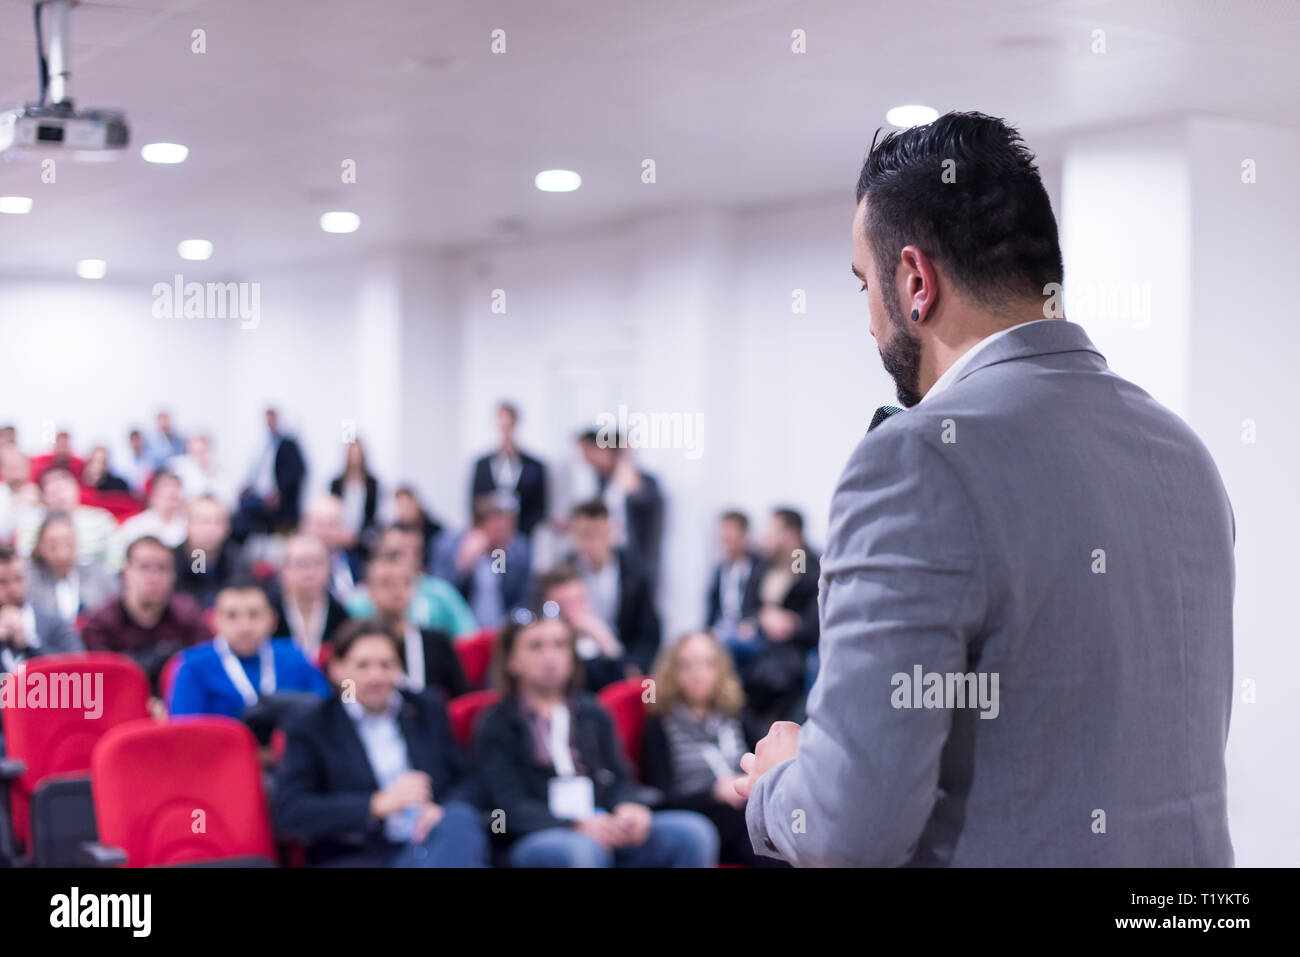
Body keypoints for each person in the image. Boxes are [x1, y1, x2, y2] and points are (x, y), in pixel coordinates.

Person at [740, 111, 1236, 868]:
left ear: (915, 281)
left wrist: (781, 783)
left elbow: (851, 827)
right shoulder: (1183, 452)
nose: (868, 323)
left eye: (864, 285)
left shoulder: (914, 461)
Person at [474, 610, 718, 868]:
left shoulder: (593, 713)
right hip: (539, 835)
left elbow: (621, 776)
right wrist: (575, 825)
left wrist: (630, 806)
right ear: (513, 660)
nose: (550, 656)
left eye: (560, 645)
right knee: (583, 853)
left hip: (603, 823)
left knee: (694, 833)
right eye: (536, 646)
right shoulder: (497, 723)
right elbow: (507, 806)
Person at [273, 619, 488, 867]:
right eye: (362, 665)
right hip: (361, 854)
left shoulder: (426, 708)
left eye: (386, 665)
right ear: (337, 669)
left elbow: (469, 780)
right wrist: (375, 805)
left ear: (399, 668)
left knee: (459, 818)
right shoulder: (311, 725)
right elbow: (291, 811)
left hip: (430, 839)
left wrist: (440, 810)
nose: (375, 676)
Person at [642, 632, 784, 867]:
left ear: (719, 670)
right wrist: (713, 793)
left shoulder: (734, 713)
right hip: (703, 815)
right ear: (672, 673)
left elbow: (769, 756)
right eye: (687, 665)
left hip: (747, 804)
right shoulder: (660, 723)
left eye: (707, 664)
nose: (697, 674)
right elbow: (662, 799)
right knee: (762, 835)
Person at [169, 580, 330, 721]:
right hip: (222, 755)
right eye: (232, 616)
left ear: (272, 619)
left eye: (254, 615)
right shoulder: (193, 665)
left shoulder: (295, 657)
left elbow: (325, 710)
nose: (244, 626)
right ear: (214, 621)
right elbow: (186, 731)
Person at [81, 535, 211, 689]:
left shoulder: (189, 615)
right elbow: (103, 685)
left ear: (173, 576)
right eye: (144, 567)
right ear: (126, 572)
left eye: (162, 568)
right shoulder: (100, 625)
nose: (153, 577)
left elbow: (205, 672)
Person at [739, 508, 820, 724]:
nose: (765, 538)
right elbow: (747, 607)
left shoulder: (813, 568)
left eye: (772, 532)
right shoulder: (763, 565)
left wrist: (792, 625)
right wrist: (763, 617)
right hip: (756, 639)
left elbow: (816, 623)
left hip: (794, 648)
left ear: (791, 535)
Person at [565, 499, 661, 674]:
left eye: (598, 534)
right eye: (584, 535)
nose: (591, 543)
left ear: (612, 533)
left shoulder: (635, 573)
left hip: (620, 658)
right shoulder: (563, 572)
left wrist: (635, 665)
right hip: (573, 662)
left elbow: (649, 631)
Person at [571, 430, 664, 596]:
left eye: (588, 451)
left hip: (636, 559)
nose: (585, 458)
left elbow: (642, 501)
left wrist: (627, 460)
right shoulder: (600, 482)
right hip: (608, 558)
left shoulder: (643, 481)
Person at [347, 524, 478, 638]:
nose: (406, 558)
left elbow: (468, 637)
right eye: (395, 553)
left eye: (413, 551)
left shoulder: (441, 593)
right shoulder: (357, 602)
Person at [364, 558, 468, 699]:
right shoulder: (359, 645)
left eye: (406, 582)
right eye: (386, 583)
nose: (397, 589)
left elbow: (461, 696)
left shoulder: (436, 642)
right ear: (369, 590)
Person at [432, 492, 531, 630]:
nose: (505, 535)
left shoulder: (516, 551)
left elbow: (521, 599)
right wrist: (463, 565)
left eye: (509, 529)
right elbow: (441, 595)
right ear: (478, 526)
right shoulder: (448, 546)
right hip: (460, 629)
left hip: (501, 630)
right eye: (498, 529)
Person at [536, 564, 630, 692]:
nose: (575, 612)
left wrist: (605, 640)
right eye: (566, 604)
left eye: (580, 601)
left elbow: (625, 680)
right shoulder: (541, 648)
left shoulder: (598, 640)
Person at [469, 402, 548, 539]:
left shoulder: (534, 466)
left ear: (515, 424)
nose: (505, 431)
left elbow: (540, 507)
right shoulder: (482, 464)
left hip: (522, 536)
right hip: (488, 537)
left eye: (508, 425)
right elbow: (474, 501)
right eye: (502, 425)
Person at [268, 534, 351, 664]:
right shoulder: (269, 612)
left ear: (329, 568)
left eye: (317, 563)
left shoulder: (342, 617)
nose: (309, 571)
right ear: (284, 570)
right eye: (300, 563)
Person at [15, 467, 117, 570]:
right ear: (43, 498)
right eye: (54, 493)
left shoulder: (100, 519)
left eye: (64, 490)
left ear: (77, 490)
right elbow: (24, 559)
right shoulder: (32, 522)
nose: (60, 497)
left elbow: (115, 559)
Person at [0, 545, 83, 672]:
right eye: (3, 582)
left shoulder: (55, 623)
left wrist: (29, 642)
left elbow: (79, 670)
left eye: (18, 579)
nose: (12, 589)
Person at [25, 512, 118, 624]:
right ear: (40, 547)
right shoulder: (28, 578)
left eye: (67, 541)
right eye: (53, 544)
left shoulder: (99, 575)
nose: (61, 549)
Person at [704, 510, 766, 661]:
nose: (726, 542)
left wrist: (753, 623)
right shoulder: (720, 569)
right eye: (723, 537)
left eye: (731, 537)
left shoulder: (761, 567)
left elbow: (766, 603)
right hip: (722, 630)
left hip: (748, 632)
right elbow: (712, 610)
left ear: (744, 536)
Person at [237, 407, 306, 534]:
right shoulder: (262, 443)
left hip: (280, 501)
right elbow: (256, 469)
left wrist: (280, 492)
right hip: (260, 496)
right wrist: (247, 487)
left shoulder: (288, 444)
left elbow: (296, 472)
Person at [172, 496, 248, 608]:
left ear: (228, 527)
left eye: (217, 522)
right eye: (203, 521)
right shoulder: (170, 561)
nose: (210, 529)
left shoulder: (238, 560)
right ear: (187, 525)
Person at [329, 438, 380, 569]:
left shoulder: (372, 484)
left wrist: (358, 536)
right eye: (352, 453)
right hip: (339, 537)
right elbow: (331, 509)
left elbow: (374, 516)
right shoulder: (336, 483)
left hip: (363, 540)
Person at [115, 469, 187, 554]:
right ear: (154, 495)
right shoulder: (135, 525)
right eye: (167, 497)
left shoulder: (186, 527)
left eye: (175, 498)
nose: (170, 504)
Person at [170, 433, 236, 506]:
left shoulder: (220, 470)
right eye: (194, 451)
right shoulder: (179, 468)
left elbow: (231, 499)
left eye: (202, 451)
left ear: (210, 450)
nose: (199, 456)